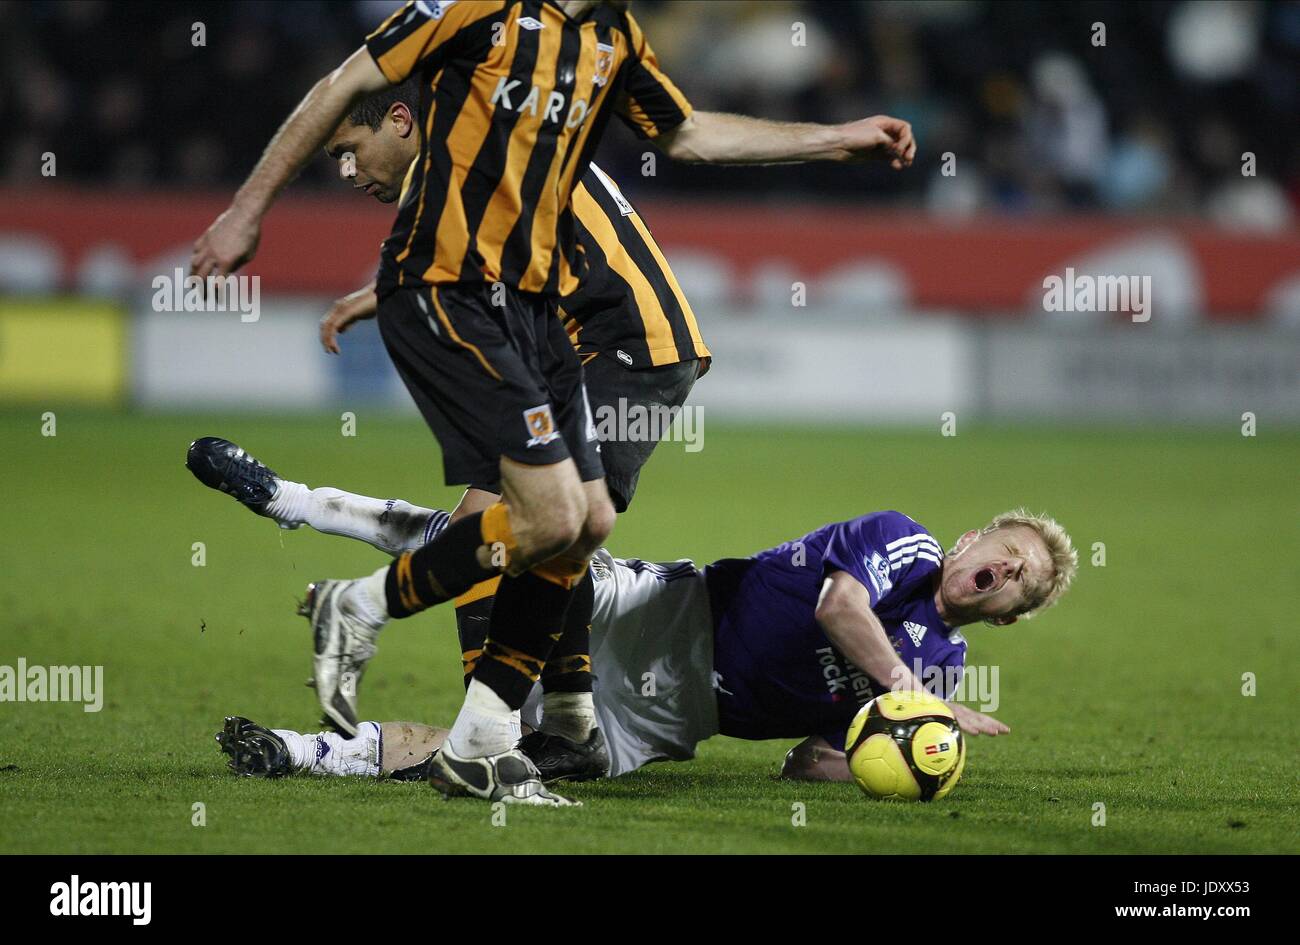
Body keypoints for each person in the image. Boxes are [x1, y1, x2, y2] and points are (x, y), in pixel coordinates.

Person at [189, 0, 916, 805]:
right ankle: (533, 717)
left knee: (515, 523)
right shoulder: (481, 73)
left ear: (402, 120)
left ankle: (458, 690)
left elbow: (686, 133)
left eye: (351, 151)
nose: (350, 171)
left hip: (629, 346)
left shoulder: (582, 57)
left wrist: (837, 137)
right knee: (549, 523)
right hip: (546, 339)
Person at [198, 448, 1077, 784]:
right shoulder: (906, 544)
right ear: (969, 540)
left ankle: (304, 753)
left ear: (1006, 615)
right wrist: (909, 697)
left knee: (502, 756)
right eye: (1004, 552)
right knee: (521, 544)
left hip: (666, 721)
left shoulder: (940, 676)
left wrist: (908, 762)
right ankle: (295, 499)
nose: (1002, 571)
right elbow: (838, 602)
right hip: (664, 612)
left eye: (1019, 584)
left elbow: (809, 760)